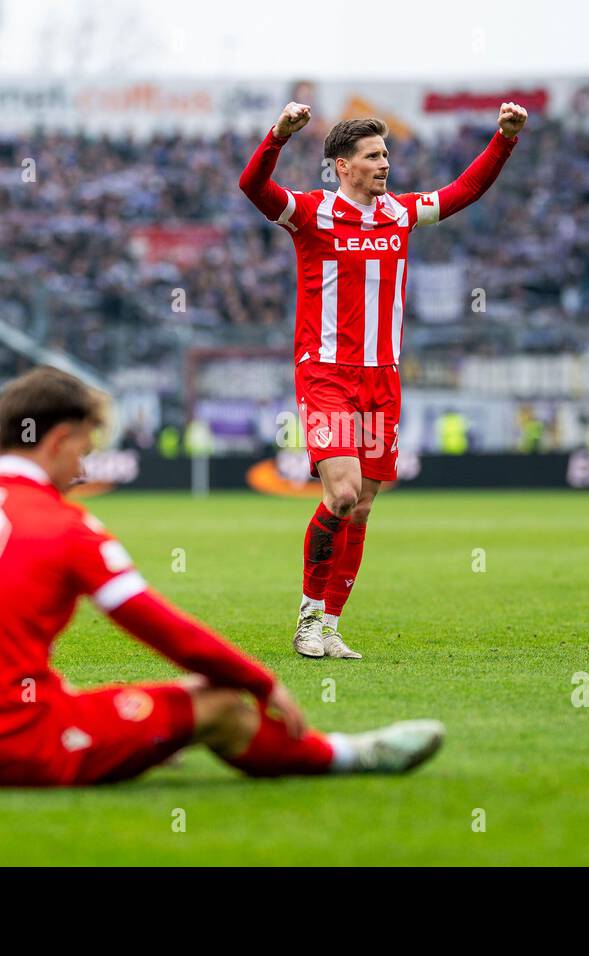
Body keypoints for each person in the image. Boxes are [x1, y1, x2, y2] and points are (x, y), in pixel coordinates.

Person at [0, 367, 443, 786]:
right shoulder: (64, 525)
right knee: (220, 703)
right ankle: (350, 755)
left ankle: (136, 736)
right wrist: (261, 682)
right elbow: (161, 627)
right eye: (83, 449)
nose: (83, 468)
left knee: (119, 700)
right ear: (55, 442)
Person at [240, 99, 527, 659]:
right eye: (372, 155)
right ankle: (308, 615)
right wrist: (277, 135)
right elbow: (252, 186)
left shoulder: (400, 213)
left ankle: (330, 623)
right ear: (342, 166)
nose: (384, 163)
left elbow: (464, 191)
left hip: (382, 381)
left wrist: (505, 139)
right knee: (341, 493)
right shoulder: (309, 213)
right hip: (325, 375)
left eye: (386, 154)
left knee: (363, 506)